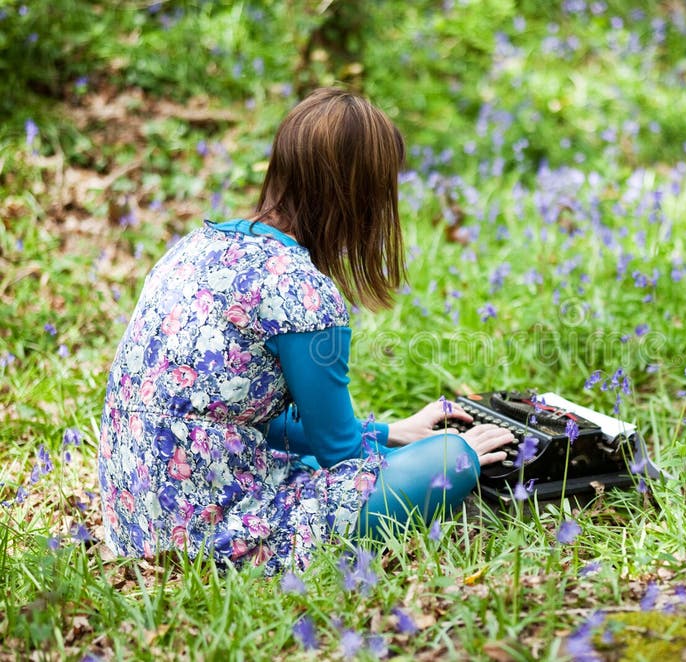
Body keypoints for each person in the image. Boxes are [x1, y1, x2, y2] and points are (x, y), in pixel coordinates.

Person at [97, 88, 514, 574]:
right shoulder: (302, 292)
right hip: (210, 535)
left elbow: (235, 416)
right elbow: (341, 454)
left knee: (327, 464)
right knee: (449, 461)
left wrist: (391, 432)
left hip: (135, 515)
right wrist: (453, 450)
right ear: (359, 195)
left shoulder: (192, 247)